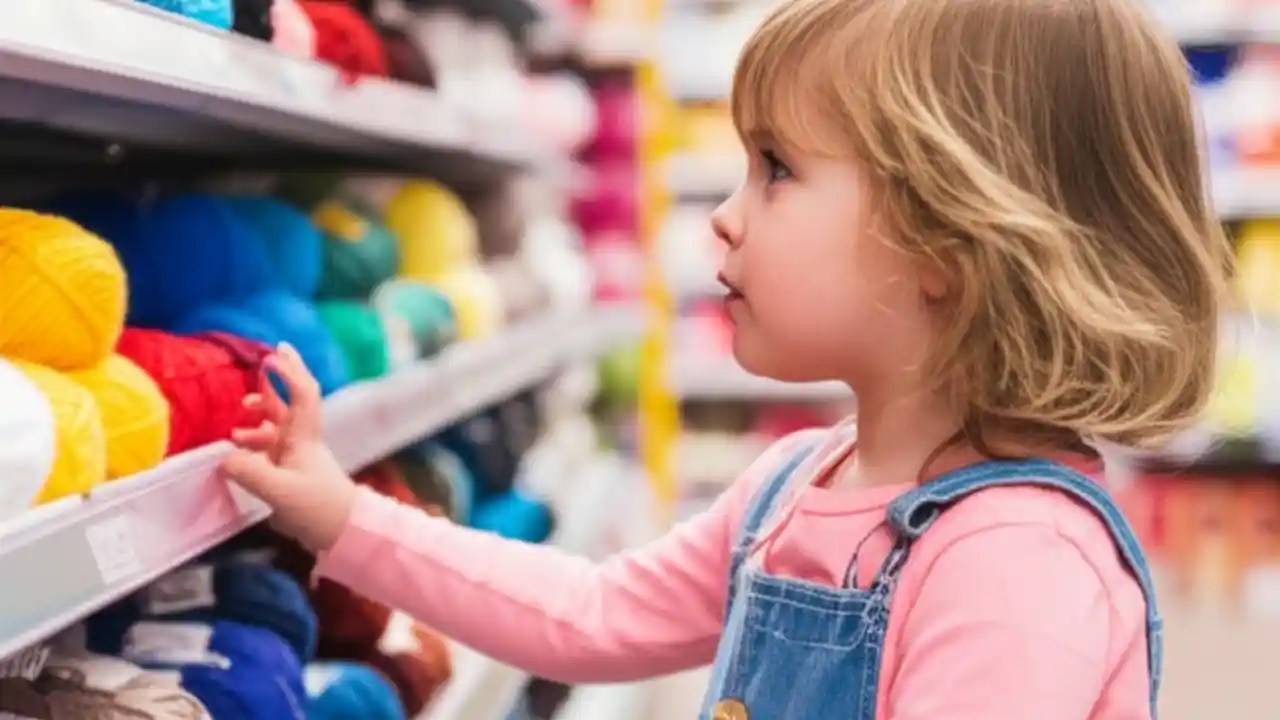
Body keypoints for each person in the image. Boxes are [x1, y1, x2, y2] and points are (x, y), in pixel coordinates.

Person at [221, 0, 1231, 717]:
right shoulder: (798, 482)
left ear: (948, 243)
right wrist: (345, 515)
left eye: (776, 170)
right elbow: (590, 613)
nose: (724, 217)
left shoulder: (1011, 560)